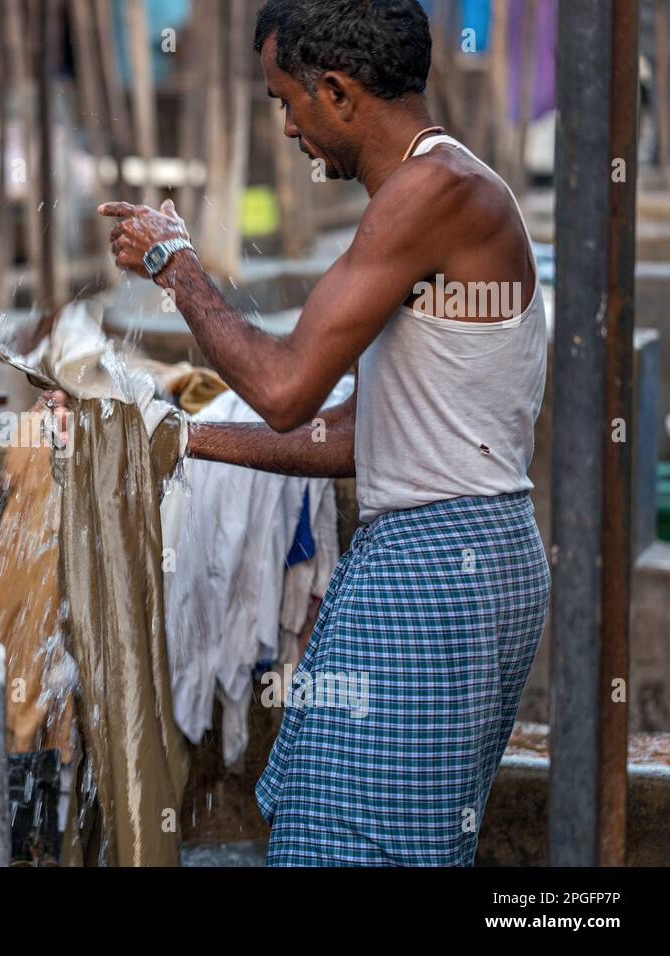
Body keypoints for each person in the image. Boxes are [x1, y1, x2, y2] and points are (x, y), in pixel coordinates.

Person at [46, 0, 550, 866]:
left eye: (289, 102)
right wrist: (174, 438)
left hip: (435, 569)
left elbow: (283, 390)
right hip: (461, 558)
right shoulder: (437, 192)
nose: (288, 128)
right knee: (343, 832)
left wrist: (177, 265)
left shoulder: (435, 192)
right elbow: (356, 435)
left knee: (358, 850)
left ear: (338, 91)